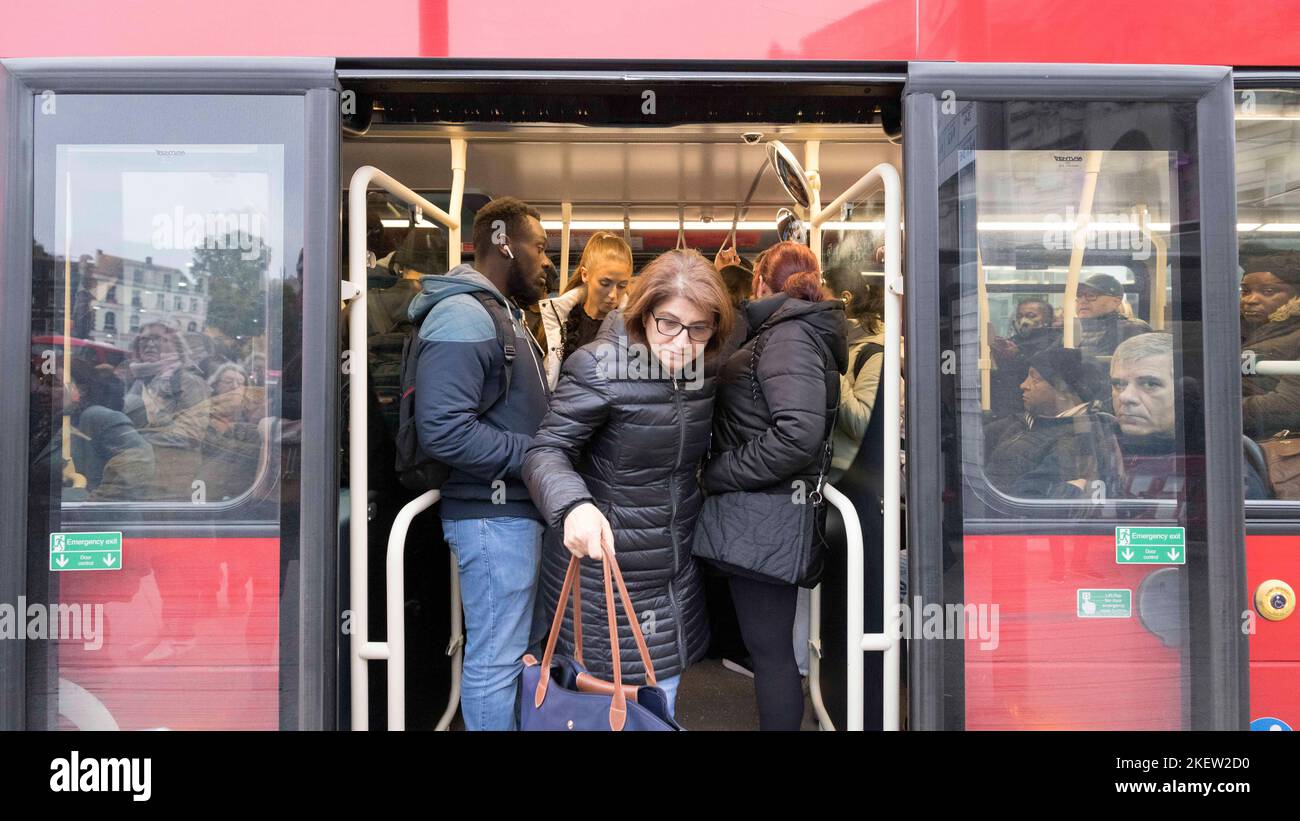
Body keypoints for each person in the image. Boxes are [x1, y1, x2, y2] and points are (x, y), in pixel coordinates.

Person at [522, 249, 733, 719]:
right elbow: (544, 451)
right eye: (669, 324)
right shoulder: (598, 366)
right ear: (643, 314)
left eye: (699, 328)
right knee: (609, 705)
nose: (683, 342)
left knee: (659, 702)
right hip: (607, 571)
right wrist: (573, 505)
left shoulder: (703, 373)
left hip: (673, 568)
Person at [407, 196, 551, 730]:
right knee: (495, 661)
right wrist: (536, 456)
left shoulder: (498, 313)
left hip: (509, 512)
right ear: (502, 240)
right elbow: (443, 428)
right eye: (538, 246)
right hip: (492, 518)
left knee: (510, 655)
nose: (546, 260)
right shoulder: (464, 315)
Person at [696, 241, 848, 731]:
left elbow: (797, 435)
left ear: (761, 282)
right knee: (771, 650)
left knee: (772, 654)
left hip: (767, 512)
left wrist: (720, 473)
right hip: (768, 509)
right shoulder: (789, 331)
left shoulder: (788, 337)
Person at [1112, 332, 1267, 500]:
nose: (1125, 396)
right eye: (1118, 384)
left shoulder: (1218, 469)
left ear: (1184, 393)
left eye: (1150, 384)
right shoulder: (1102, 446)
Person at [983, 346, 1124, 500]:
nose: (1023, 385)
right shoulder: (1028, 420)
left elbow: (1029, 499)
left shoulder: (1076, 439)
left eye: (1034, 379)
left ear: (1064, 392)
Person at [536, 232, 633, 389]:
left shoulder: (633, 330)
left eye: (622, 286)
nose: (613, 295)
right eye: (605, 283)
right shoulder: (557, 321)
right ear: (585, 274)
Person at [824, 265, 886, 482]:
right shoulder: (846, 342)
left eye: (822, 298)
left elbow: (862, 423)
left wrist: (830, 369)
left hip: (853, 477)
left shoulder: (874, 351)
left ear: (845, 298)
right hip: (834, 470)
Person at [1240, 251, 1300, 440]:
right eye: (1246, 291)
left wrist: (1217, 408)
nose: (1250, 300)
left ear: (1296, 296)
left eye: (1268, 292)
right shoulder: (1240, 330)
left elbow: (1289, 404)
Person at [989, 298, 1064, 418]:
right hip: (1008, 404)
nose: (1023, 320)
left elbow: (1044, 370)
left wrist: (1017, 356)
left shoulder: (1055, 340)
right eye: (1020, 316)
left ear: (1047, 319)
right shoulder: (1014, 340)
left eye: (1031, 316)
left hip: (1035, 407)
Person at [1074, 273, 1151, 358]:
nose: (1082, 301)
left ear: (1115, 301)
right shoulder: (1067, 330)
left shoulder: (1131, 329)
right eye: (1079, 296)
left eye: (1091, 295)